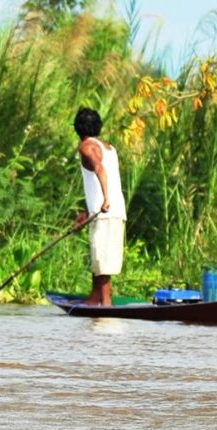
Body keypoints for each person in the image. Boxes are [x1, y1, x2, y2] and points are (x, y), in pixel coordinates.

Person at [73, 107, 126, 306]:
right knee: (99, 259)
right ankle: (95, 298)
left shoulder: (86, 147)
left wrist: (105, 200)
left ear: (77, 128)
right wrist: (87, 213)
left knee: (102, 262)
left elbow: (100, 170)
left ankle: (105, 303)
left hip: (106, 211)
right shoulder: (109, 148)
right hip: (114, 212)